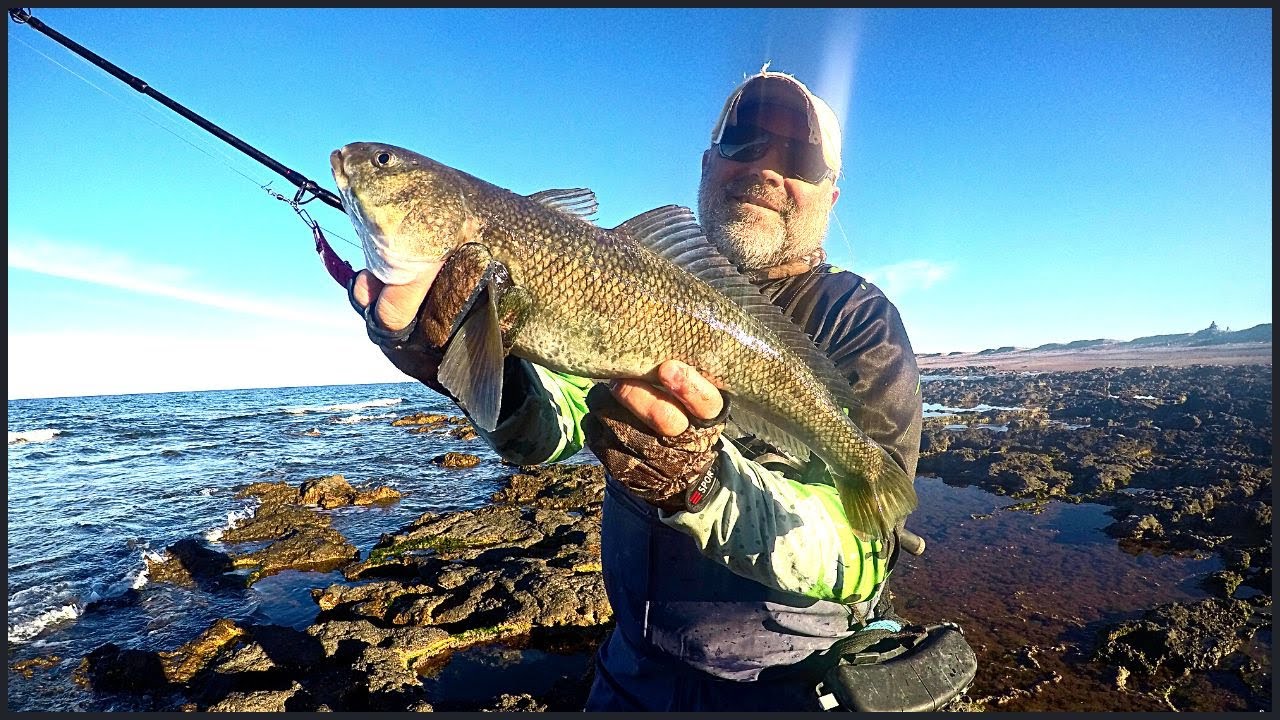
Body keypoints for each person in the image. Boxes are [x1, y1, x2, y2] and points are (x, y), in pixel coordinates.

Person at [347, 67, 923, 712]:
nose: (766, 166)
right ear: (709, 165)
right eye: (744, 143)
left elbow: (867, 551)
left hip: (782, 680)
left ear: (830, 195)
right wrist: (464, 358)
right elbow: (549, 429)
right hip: (631, 664)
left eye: (799, 156)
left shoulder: (860, 322)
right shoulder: (631, 276)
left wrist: (704, 486)